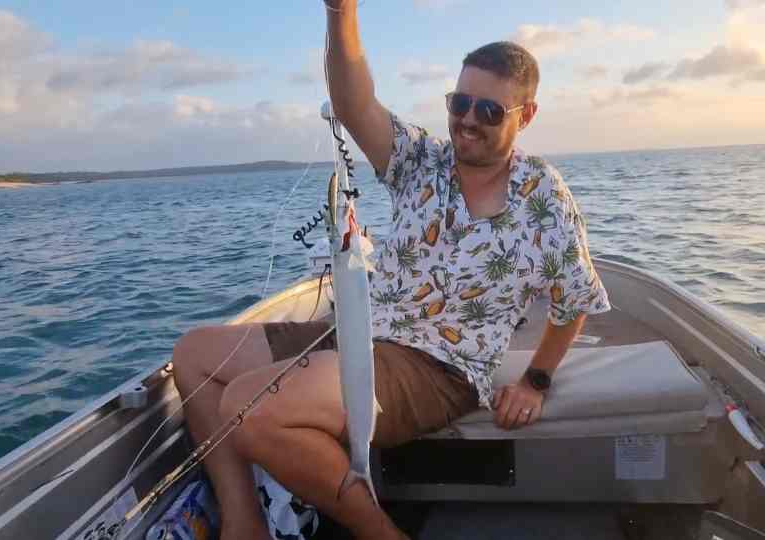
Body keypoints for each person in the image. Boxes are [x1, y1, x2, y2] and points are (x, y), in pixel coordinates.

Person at [170, 1, 610, 538]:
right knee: (194, 355)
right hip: (360, 333)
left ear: (527, 115)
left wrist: (536, 380)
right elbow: (355, 104)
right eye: (461, 102)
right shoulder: (421, 161)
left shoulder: (543, 196)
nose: (469, 119)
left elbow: (575, 301)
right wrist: (341, 12)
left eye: (490, 111)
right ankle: (244, 520)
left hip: (438, 367)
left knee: (248, 405)